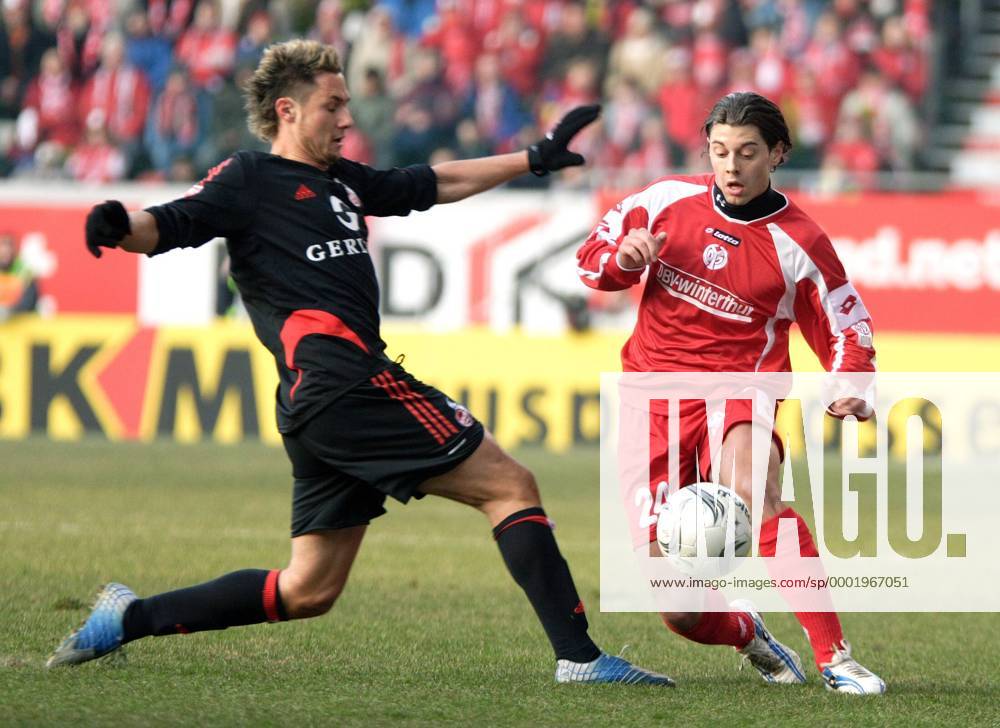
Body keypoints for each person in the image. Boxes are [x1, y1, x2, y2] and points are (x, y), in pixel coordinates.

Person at [48, 39, 672, 687]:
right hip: (346, 381)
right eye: (333, 105)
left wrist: (533, 159)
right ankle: (579, 657)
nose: (348, 119)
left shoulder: (343, 181)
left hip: (317, 402)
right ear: (288, 111)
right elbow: (171, 223)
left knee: (307, 590)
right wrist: (118, 225)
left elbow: (435, 183)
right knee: (510, 485)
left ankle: (126, 618)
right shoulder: (249, 178)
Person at [576, 92, 886, 695]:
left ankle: (835, 657)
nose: (731, 167)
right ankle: (748, 631)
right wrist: (623, 261)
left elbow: (848, 324)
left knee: (759, 492)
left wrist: (850, 384)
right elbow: (591, 262)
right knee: (682, 611)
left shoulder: (800, 242)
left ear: (777, 154)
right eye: (719, 152)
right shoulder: (663, 202)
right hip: (652, 400)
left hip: (740, 390)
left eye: (747, 153)